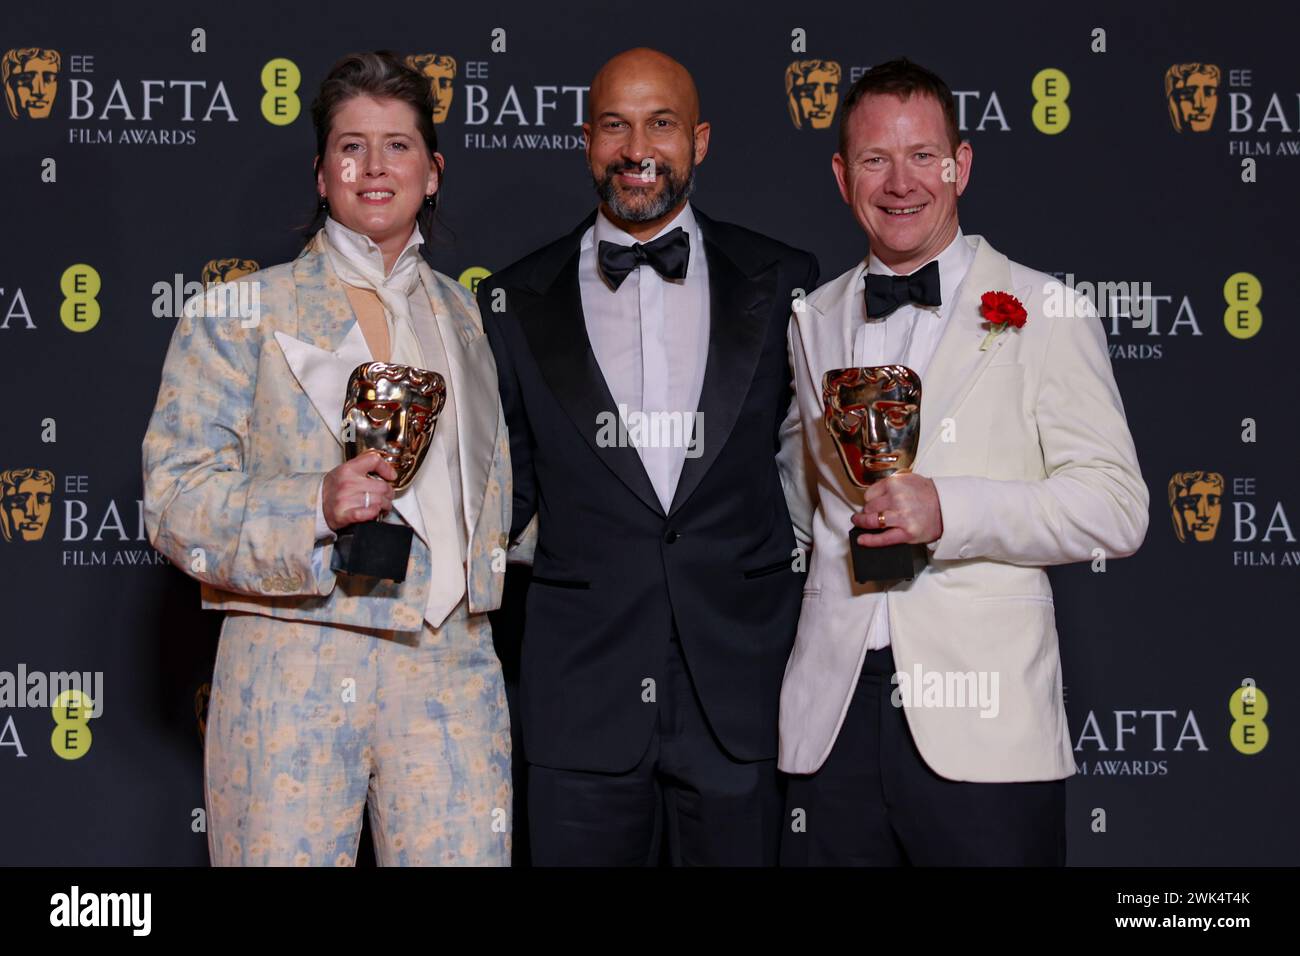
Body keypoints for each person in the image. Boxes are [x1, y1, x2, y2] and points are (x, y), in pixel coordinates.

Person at [142, 51, 512, 866]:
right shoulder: (238, 310)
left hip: (453, 665)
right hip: (295, 662)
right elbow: (172, 500)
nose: (375, 167)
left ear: (434, 170)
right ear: (321, 173)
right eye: (352, 146)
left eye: (398, 145)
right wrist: (315, 502)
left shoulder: (469, 317)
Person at [777, 59, 1149, 865]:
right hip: (831, 720)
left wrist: (953, 510)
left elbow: (1118, 505)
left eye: (923, 156)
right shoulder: (812, 319)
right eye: (875, 159)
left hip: (985, 728)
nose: (900, 182)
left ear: (962, 165)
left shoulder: (1047, 309)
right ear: (842, 176)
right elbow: (802, 493)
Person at [479, 47, 819, 866]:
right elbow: (501, 492)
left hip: (741, 693)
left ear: (698, 140)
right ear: (586, 142)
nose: (638, 148)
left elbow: (818, 475)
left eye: (661, 124)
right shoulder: (512, 299)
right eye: (615, 125)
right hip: (580, 700)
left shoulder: (785, 281)